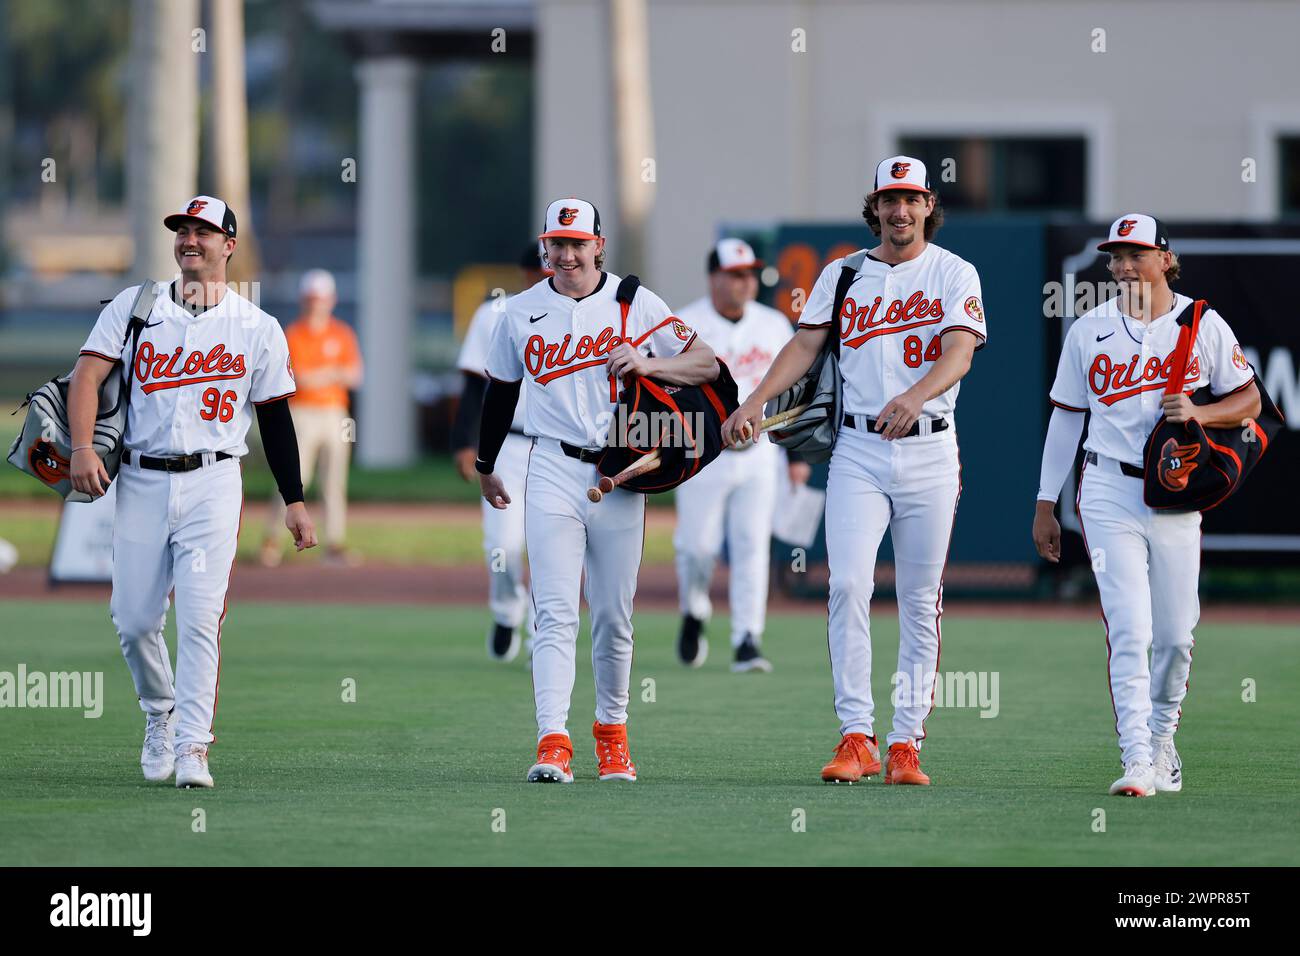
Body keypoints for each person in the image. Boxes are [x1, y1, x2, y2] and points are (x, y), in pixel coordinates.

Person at [722, 157, 987, 786]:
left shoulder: (954, 271)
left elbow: (961, 351)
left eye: (910, 200)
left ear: (928, 205)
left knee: (920, 601)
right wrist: (754, 402)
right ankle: (856, 735)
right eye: (888, 201)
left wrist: (917, 394)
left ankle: (906, 743)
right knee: (846, 587)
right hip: (858, 450)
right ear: (875, 208)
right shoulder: (842, 275)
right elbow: (806, 344)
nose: (899, 212)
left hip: (929, 449)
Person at [69, 195, 316, 789]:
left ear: (229, 245)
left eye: (204, 232)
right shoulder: (137, 306)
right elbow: (87, 375)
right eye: (183, 229)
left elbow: (275, 419)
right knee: (132, 618)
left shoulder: (256, 325)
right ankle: (160, 712)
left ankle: (192, 747)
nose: (190, 240)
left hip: (212, 480)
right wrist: (80, 448)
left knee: (202, 619)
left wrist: (295, 499)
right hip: (141, 477)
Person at [476, 197, 718, 783]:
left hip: (620, 470)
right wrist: (486, 463)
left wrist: (649, 364)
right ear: (544, 246)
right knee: (554, 611)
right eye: (556, 243)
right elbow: (501, 390)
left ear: (598, 245)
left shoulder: (634, 303)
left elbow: (707, 364)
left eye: (577, 243)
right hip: (552, 466)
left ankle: (612, 734)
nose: (565, 254)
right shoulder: (521, 310)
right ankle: (553, 741)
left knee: (613, 614)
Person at [1033, 214, 1261, 797]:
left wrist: (1202, 415)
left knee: (1178, 635)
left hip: (1175, 489)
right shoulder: (1089, 328)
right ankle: (1137, 757)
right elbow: (1066, 417)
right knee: (1130, 628)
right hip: (1106, 487)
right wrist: (1044, 500)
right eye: (1115, 256)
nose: (1124, 266)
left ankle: (1163, 740)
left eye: (1136, 254)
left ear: (1165, 258)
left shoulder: (1200, 322)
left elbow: (1251, 400)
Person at [673, 238, 810, 672]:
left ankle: (747, 638)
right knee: (697, 548)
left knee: (753, 545)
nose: (745, 282)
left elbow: (791, 393)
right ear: (714, 278)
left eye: (750, 273)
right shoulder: (684, 325)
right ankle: (695, 610)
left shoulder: (772, 325)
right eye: (735, 274)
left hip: (758, 454)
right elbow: (663, 390)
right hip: (702, 453)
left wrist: (796, 455)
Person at [451, 246, 549, 662]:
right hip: (506, 443)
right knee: (503, 547)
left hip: (558, 448)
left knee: (550, 549)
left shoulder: (586, 318)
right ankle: (507, 612)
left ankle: (543, 639)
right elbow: (476, 383)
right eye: (542, 268)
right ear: (526, 272)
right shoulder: (495, 314)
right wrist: (464, 442)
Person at [259, 269, 362, 567]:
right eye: (312, 299)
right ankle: (272, 540)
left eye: (322, 299)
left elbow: (355, 375)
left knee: (334, 482)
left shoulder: (342, 333)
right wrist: (331, 373)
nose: (317, 304)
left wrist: (323, 376)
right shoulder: (294, 333)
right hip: (302, 412)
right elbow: (299, 378)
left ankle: (335, 544)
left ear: (331, 300)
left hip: (336, 414)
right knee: (293, 479)